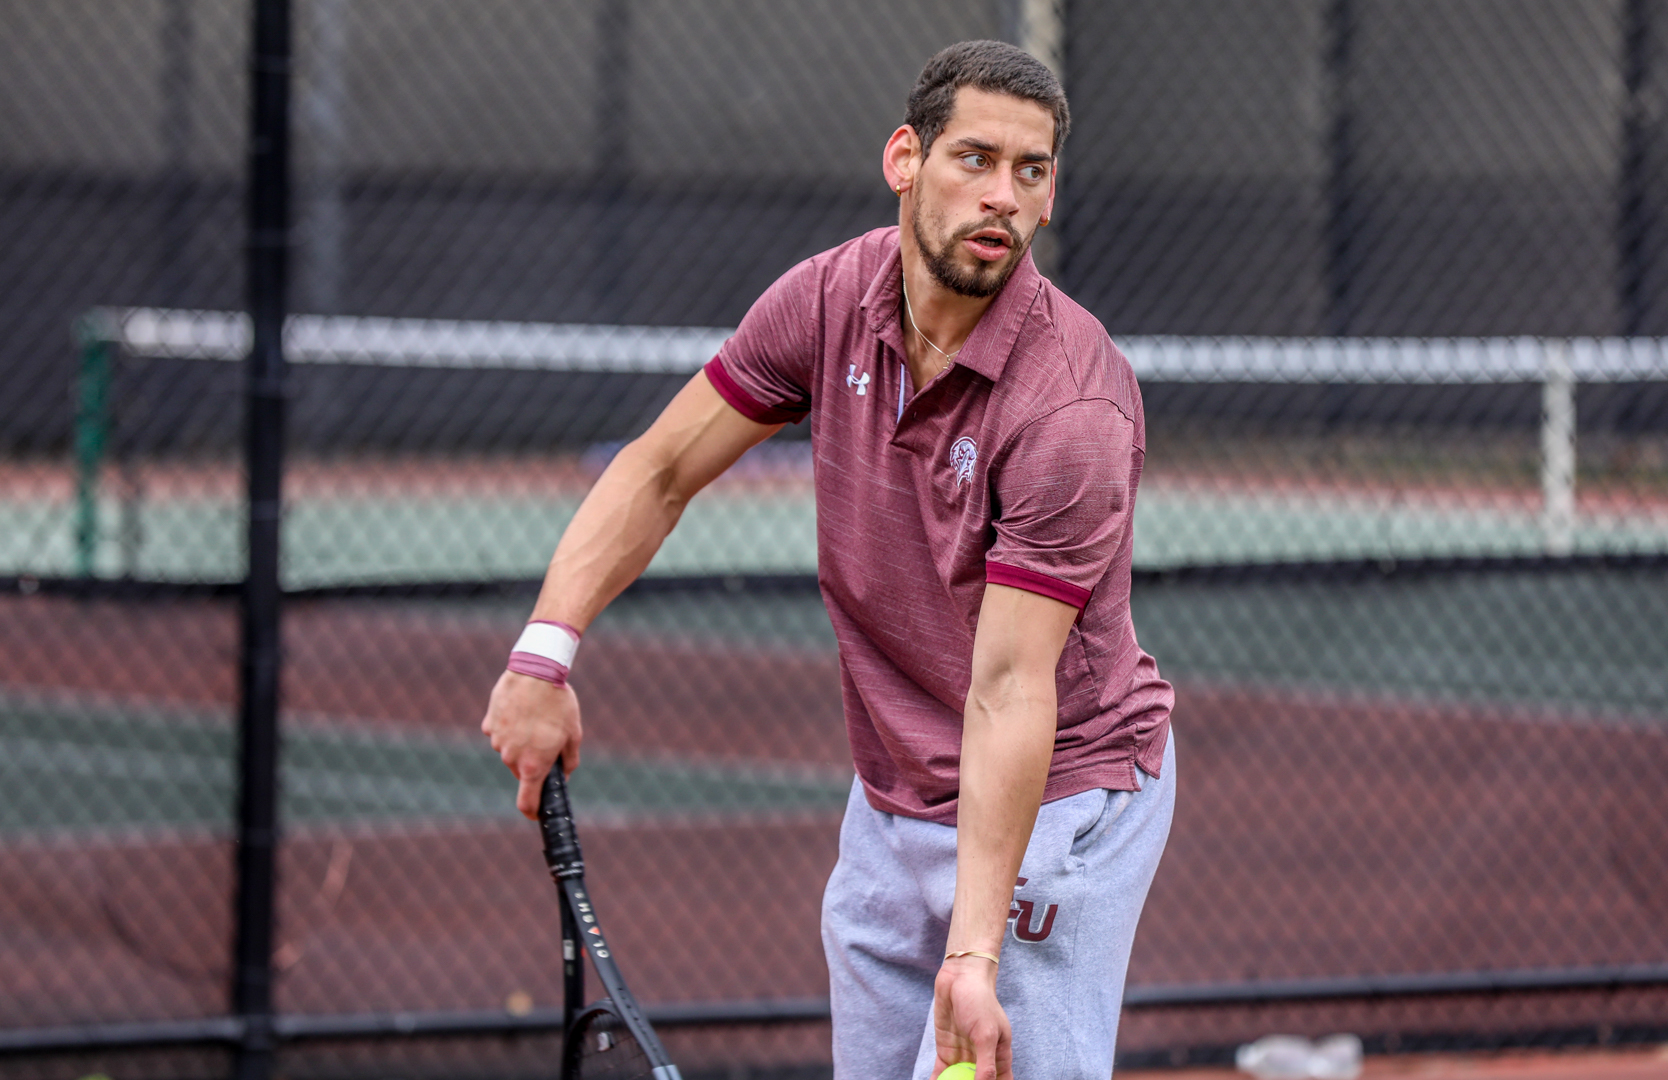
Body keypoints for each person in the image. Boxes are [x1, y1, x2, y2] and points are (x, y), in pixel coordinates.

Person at [482, 40, 1174, 1080]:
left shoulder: (1071, 405)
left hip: (1058, 800)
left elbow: (1009, 687)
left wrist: (975, 951)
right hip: (892, 797)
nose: (1000, 196)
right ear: (905, 157)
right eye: (973, 159)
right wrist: (543, 656)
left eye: (1028, 172)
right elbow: (660, 469)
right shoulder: (827, 301)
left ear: (1049, 195)